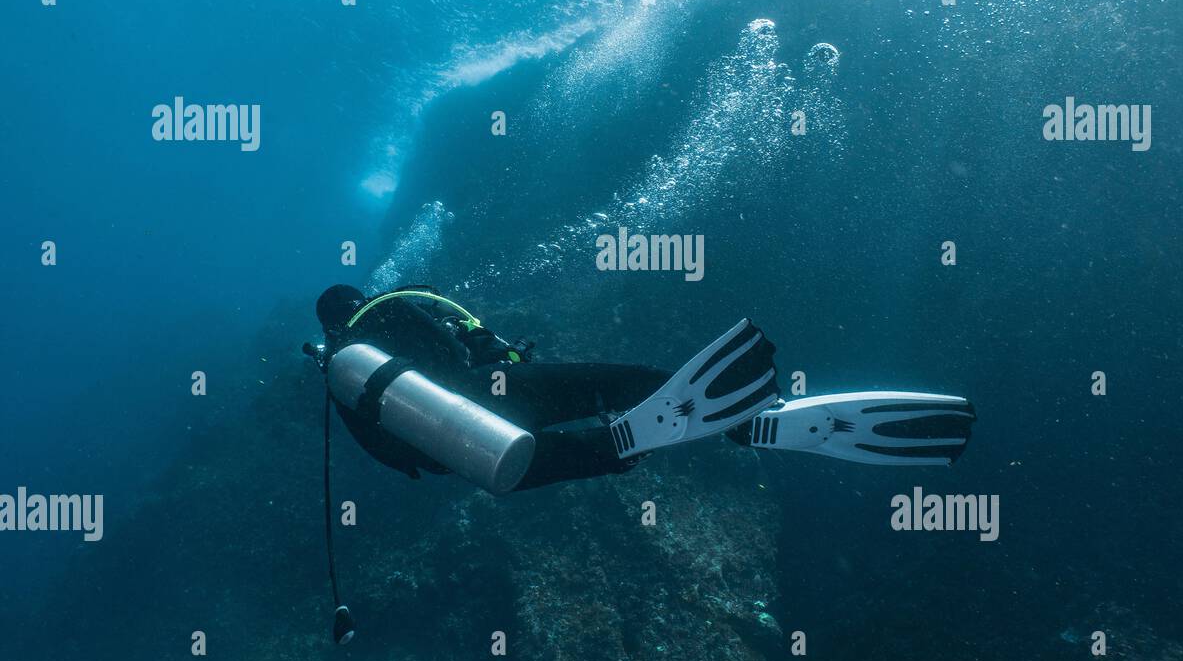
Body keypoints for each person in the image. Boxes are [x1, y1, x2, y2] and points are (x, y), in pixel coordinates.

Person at [310, 284, 976, 491]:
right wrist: (502, 353)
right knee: (629, 383)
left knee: (564, 448)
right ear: (360, 298)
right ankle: (748, 425)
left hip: (465, 452)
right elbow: (470, 345)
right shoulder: (395, 304)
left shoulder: (343, 378)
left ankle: (616, 447)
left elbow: (399, 459)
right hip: (488, 393)